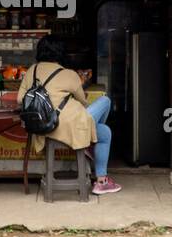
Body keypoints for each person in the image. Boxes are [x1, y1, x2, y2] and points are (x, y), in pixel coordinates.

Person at [20, 37, 121, 195]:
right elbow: (83, 100)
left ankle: (102, 181)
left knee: (105, 132)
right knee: (105, 101)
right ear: (61, 54)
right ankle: (91, 147)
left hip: (44, 127)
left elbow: (21, 99)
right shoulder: (68, 74)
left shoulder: (31, 71)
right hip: (70, 127)